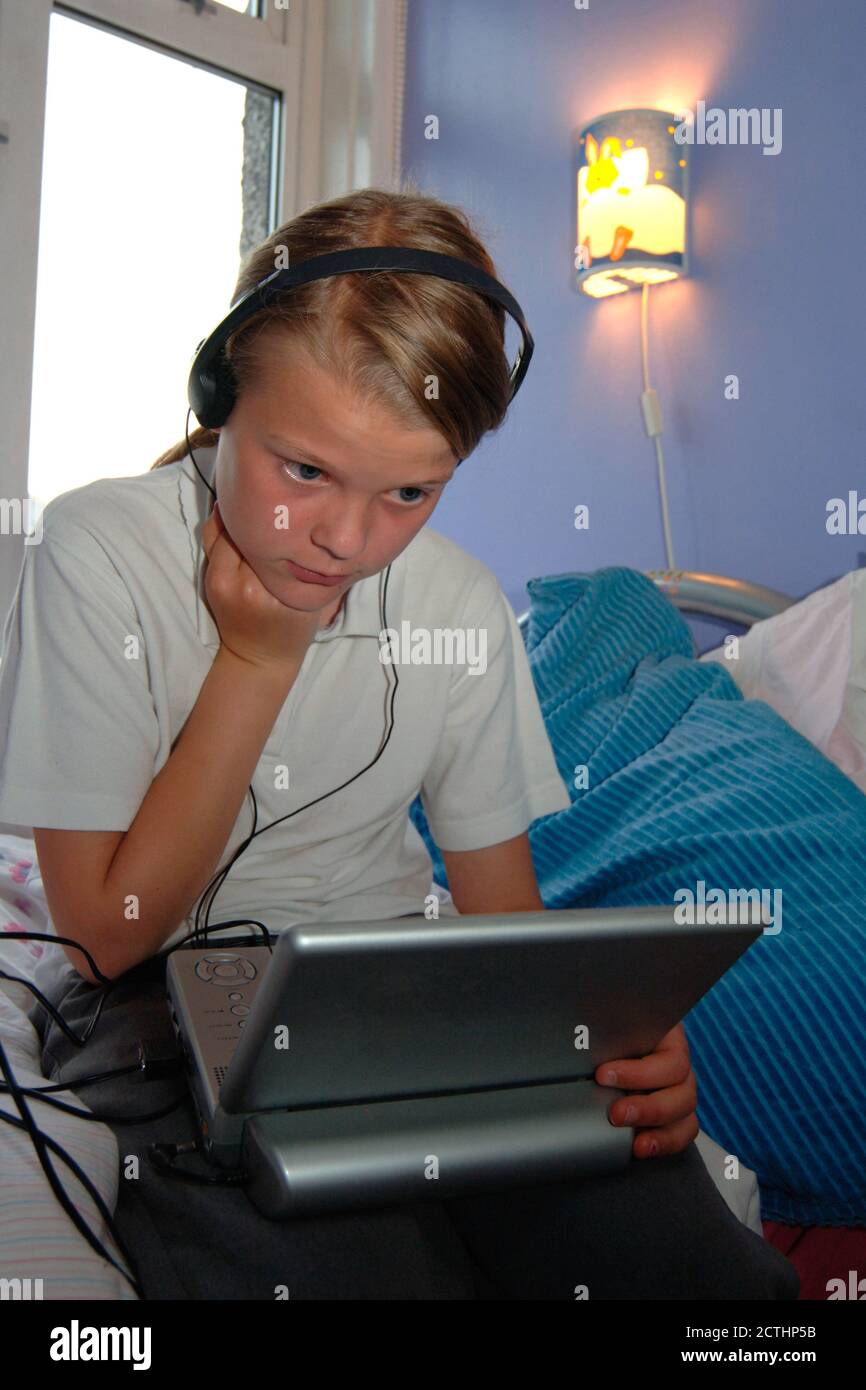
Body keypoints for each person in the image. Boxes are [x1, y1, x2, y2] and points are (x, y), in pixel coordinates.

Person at [0, 185, 799, 1300]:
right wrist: (256, 662)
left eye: (409, 492)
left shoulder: (459, 607)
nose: (342, 540)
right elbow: (102, 937)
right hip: (158, 1009)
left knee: (710, 1289)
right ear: (218, 394)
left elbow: (501, 919)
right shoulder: (96, 552)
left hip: (401, 1000)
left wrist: (591, 1035)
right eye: (304, 471)